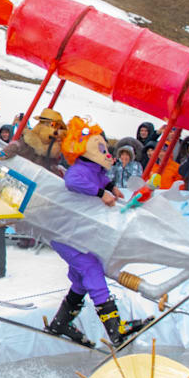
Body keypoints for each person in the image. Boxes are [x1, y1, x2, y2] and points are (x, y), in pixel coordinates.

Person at [42, 120, 150, 348]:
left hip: (77, 234)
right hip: (65, 234)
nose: (106, 153)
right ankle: (116, 330)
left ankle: (60, 323)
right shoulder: (80, 169)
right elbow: (73, 181)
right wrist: (101, 192)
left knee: (82, 279)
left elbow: (101, 178)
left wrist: (110, 187)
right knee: (91, 269)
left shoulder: (95, 169)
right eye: (101, 149)